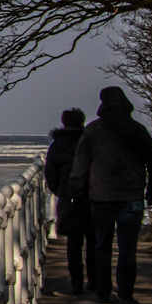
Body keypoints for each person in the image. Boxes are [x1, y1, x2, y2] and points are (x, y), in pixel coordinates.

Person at [69, 86, 152, 304]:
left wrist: (75, 193)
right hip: (131, 196)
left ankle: (103, 291)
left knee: (102, 246)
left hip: (100, 198)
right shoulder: (136, 129)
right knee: (128, 249)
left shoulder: (93, 131)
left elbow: (80, 165)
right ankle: (126, 294)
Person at [44, 107, 96, 293]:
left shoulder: (57, 145)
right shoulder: (91, 141)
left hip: (69, 198)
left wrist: (61, 192)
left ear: (64, 122)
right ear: (82, 122)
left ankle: (76, 281)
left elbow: (50, 175)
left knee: (73, 242)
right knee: (93, 240)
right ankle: (94, 279)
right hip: (93, 196)